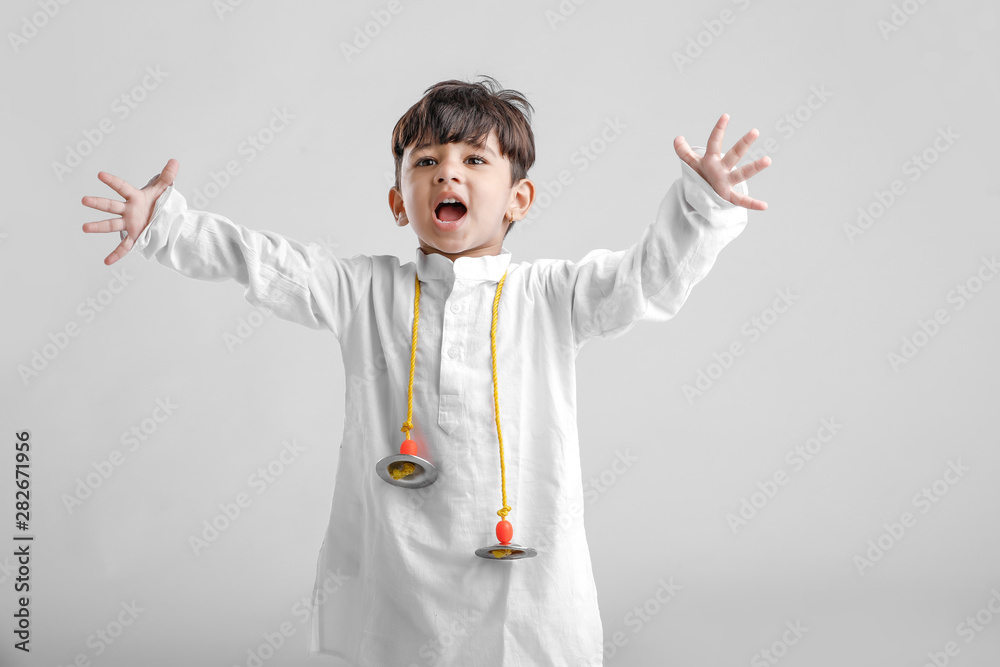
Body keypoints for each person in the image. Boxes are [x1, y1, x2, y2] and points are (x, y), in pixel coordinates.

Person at [81, 75, 770, 666]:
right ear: (398, 201)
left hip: (524, 588)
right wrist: (165, 224)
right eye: (426, 161)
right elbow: (267, 262)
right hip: (401, 576)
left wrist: (702, 207)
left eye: (475, 159)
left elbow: (646, 280)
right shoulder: (366, 290)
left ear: (518, 200)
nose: (448, 173)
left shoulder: (551, 294)